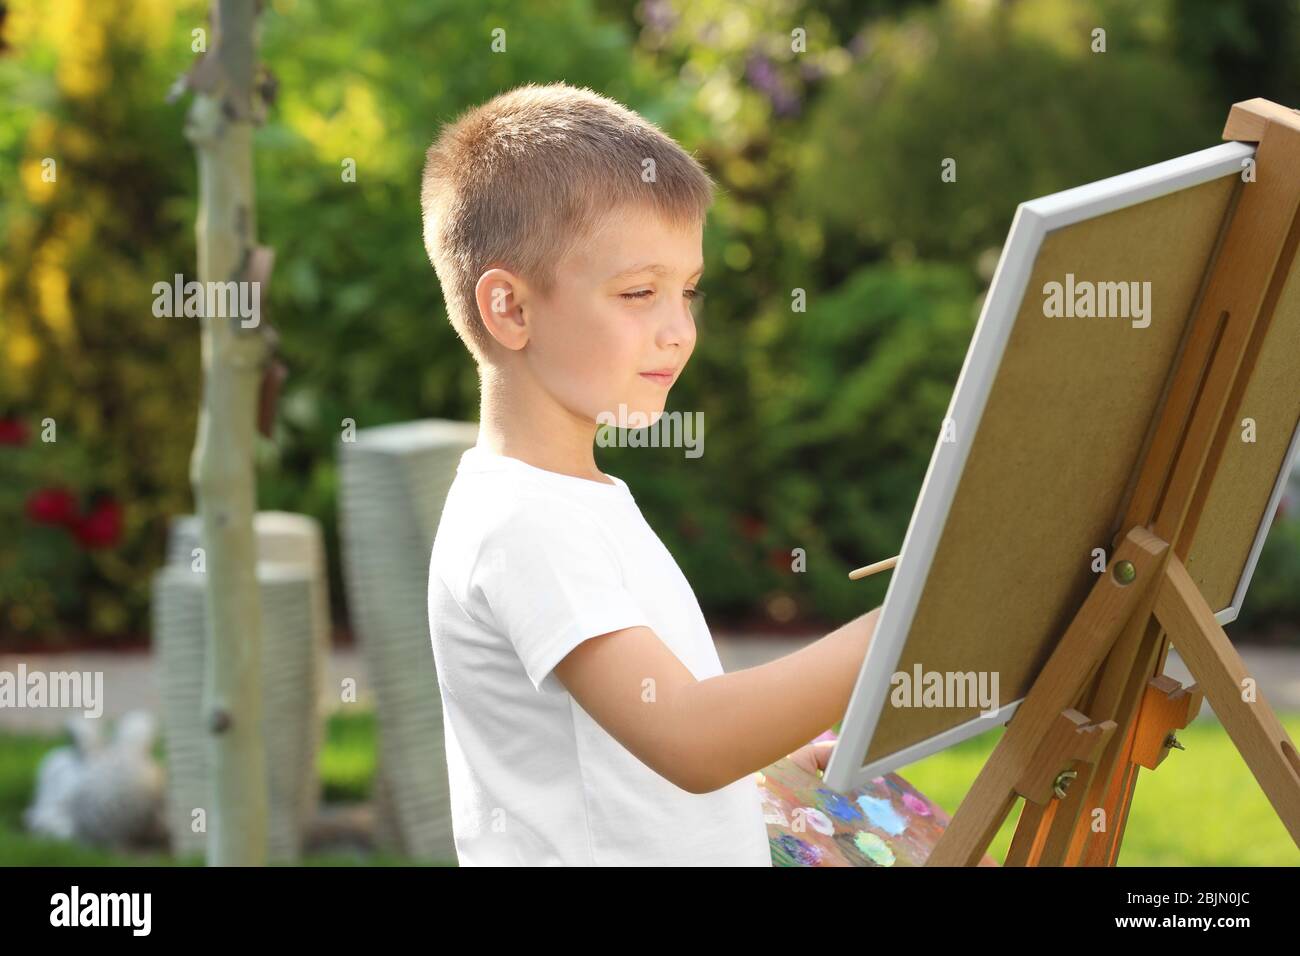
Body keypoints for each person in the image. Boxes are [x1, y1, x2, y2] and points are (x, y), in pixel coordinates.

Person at [421, 82, 881, 865]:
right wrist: (900, 629)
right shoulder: (522, 524)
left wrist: (766, 771)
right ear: (511, 310)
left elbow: (627, 739)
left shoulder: (579, 500)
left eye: (687, 291)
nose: (678, 330)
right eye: (640, 293)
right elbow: (689, 736)